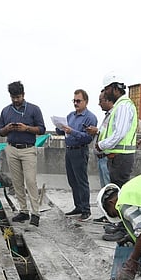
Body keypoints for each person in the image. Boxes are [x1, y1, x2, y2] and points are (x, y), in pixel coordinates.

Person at [0, 81, 46, 227]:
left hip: (28, 149)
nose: (16, 100)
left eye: (18, 97)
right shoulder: (5, 111)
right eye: (13, 97)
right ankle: (23, 210)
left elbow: (42, 129)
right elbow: (0, 131)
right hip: (12, 148)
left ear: (23, 95)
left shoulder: (34, 109)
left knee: (30, 181)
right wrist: (7, 128)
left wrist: (26, 128)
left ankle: (35, 213)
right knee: (17, 181)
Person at [56, 89, 98, 220]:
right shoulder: (70, 116)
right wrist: (60, 127)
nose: (76, 103)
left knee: (81, 181)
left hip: (80, 150)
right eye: (74, 101)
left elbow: (88, 138)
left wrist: (72, 131)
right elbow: (63, 132)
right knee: (72, 180)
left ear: (86, 101)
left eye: (78, 101)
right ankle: (78, 206)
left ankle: (86, 209)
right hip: (69, 150)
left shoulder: (90, 117)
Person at [94, 75, 138, 188]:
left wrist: (101, 145)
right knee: (115, 191)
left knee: (117, 192)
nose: (105, 93)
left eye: (107, 89)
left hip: (121, 158)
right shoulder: (119, 106)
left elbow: (119, 134)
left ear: (115, 89)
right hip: (118, 157)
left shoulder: (123, 106)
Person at [88, 91, 115, 220]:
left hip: (106, 157)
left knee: (109, 189)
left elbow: (112, 135)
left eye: (101, 101)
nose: (99, 104)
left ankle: (110, 215)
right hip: (101, 157)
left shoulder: (113, 115)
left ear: (108, 100)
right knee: (105, 189)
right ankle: (106, 215)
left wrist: (97, 131)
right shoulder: (107, 116)